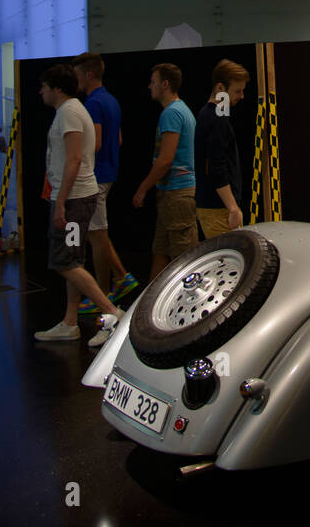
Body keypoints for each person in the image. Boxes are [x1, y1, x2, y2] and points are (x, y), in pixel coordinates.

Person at [34, 65, 124, 345]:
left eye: (44, 87)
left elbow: (73, 160)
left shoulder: (70, 112)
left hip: (73, 200)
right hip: (75, 197)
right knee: (73, 260)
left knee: (64, 262)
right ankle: (70, 322)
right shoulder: (71, 110)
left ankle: (112, 314)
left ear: (56, 88)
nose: (41, 92)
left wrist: (60, 203)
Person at [73, 53, 138, 332]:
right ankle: (114, 283)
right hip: (109, 173)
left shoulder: (94, 103)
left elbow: (95, 142)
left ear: (88, 75)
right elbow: (118, 139)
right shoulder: (110, 100)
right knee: (97, 234)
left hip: (96, 177)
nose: (75, 80)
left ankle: (107, 290)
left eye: (77, 74)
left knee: (97, 236)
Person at [134, 63, 198, 281]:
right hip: (170, 194)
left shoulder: (171, 114)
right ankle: (148, 305)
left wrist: (142, 189)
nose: (149, 86)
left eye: (153, 81)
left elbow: (165, 159)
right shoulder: (179, 111)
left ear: (165, 84)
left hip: (176, 195)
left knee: (185, 259)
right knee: (160, 250)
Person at [195, 59, 248, 238]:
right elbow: (216, 167)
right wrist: (232, 208)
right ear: (220, 88)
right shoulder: (215, 118)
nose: (241, 96)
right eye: (237, 91)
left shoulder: (214, 114)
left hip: (215, 205)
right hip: (217, 208)